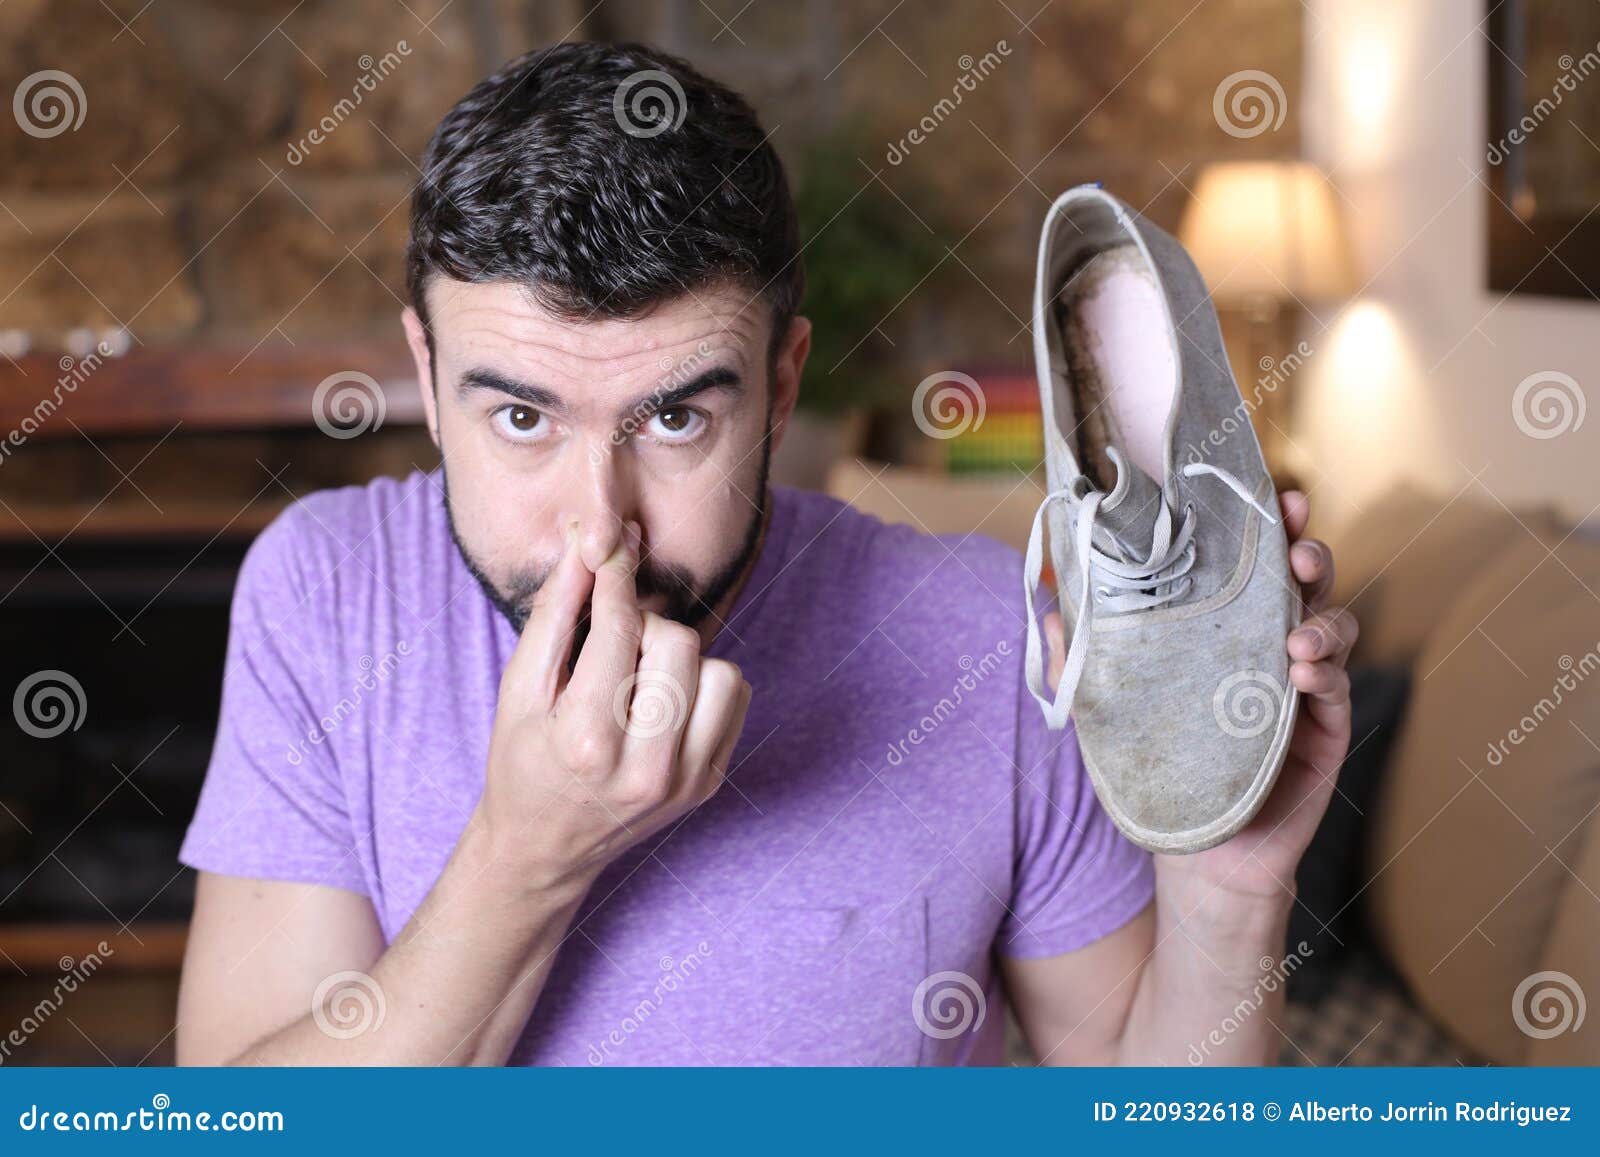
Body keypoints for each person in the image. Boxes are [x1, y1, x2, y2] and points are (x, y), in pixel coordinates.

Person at [174, 40, 1357, 1066]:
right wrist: (524, 856)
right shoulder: (326, 591)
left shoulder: (985, 634)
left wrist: (1230, 892)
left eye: (676, 417)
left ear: (783, 387)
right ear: (428, 383)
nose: (600, 525)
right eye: (522, 417)